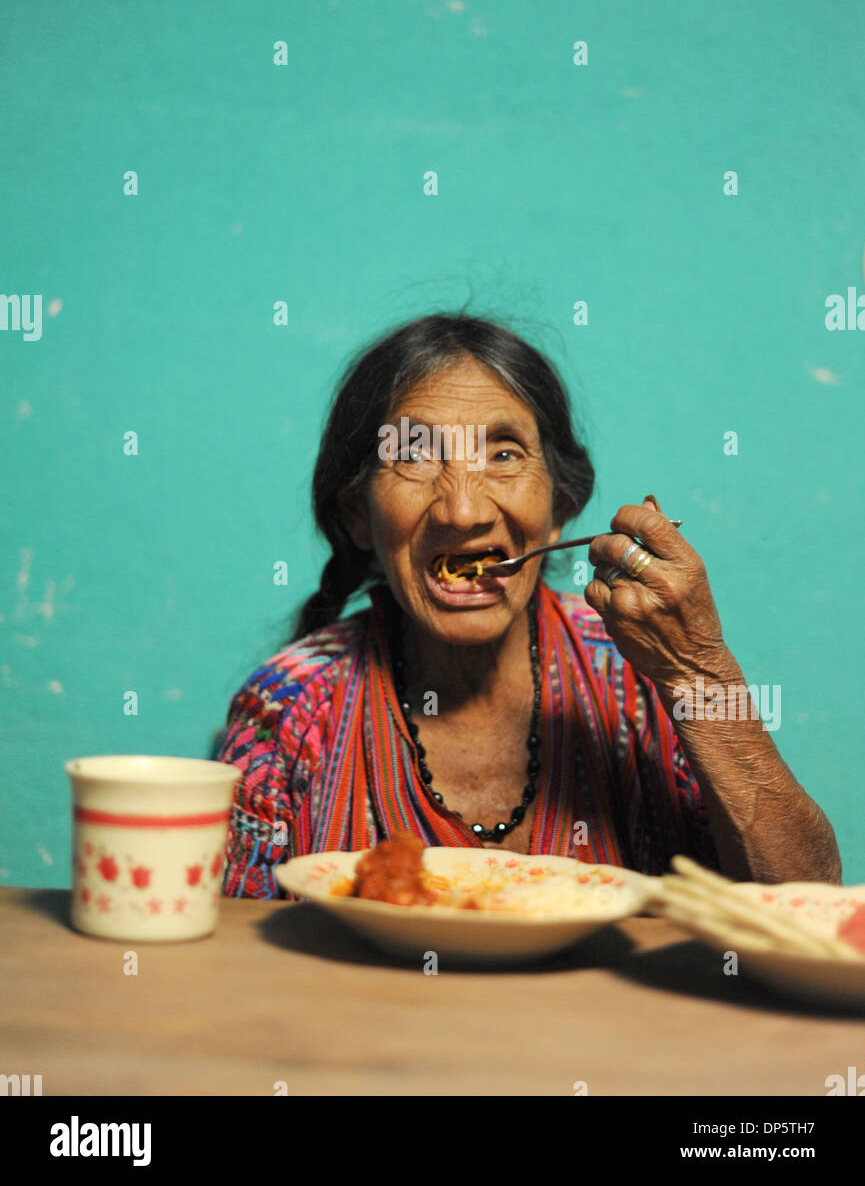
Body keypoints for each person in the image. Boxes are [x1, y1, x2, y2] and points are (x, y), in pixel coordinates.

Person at [214, 313, 841, 897]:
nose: (464, 510)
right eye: (412, 456)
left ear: (559, 503)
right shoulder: (289, 709)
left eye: (504, 454)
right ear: (357, 514)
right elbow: (236, 971)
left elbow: (806, 903)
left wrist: (698, 671)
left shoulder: (640, 678)